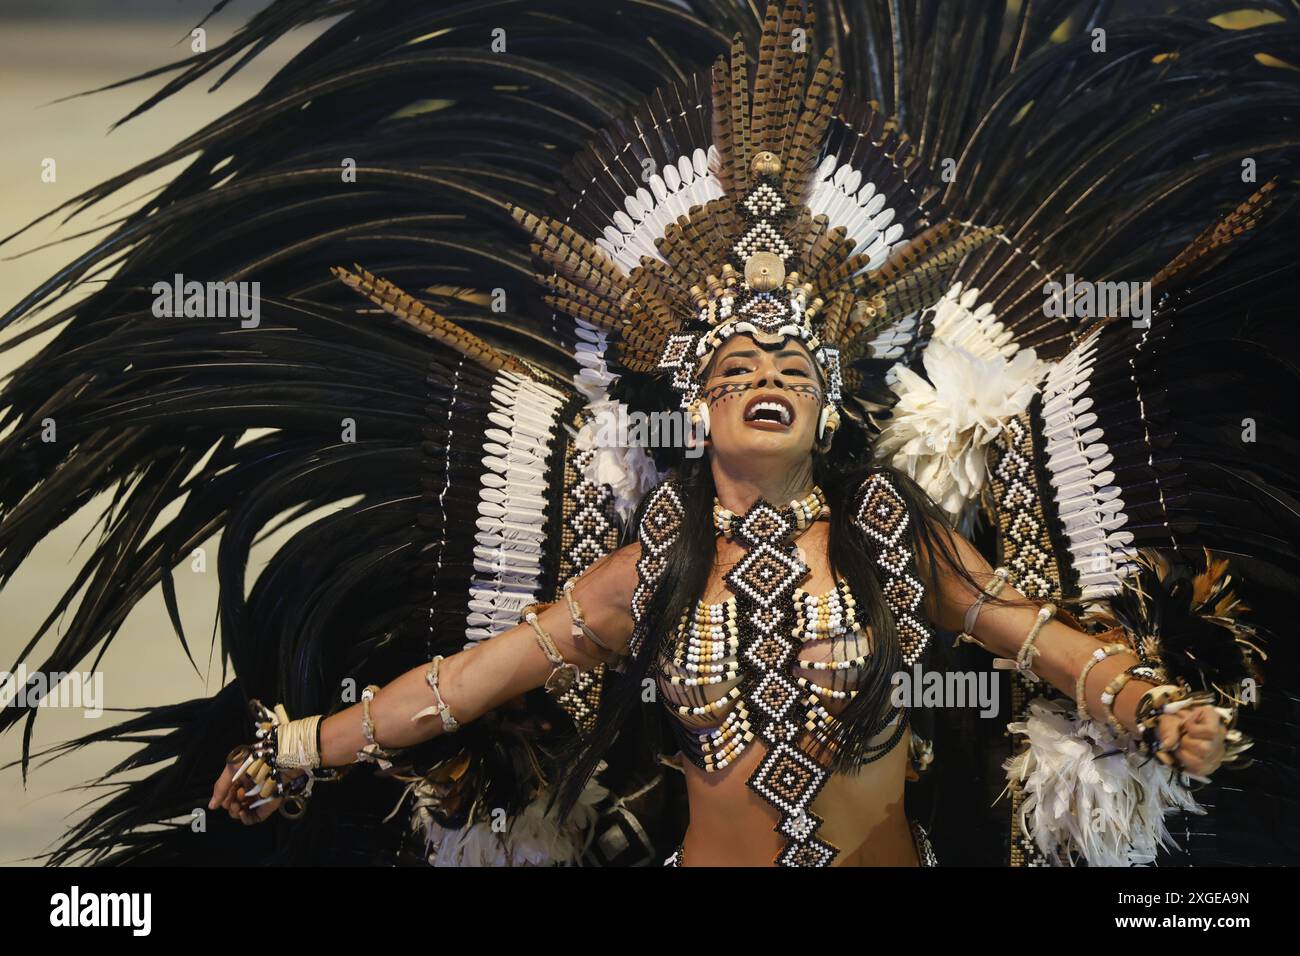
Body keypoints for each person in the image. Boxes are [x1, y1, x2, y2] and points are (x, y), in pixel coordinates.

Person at [209, 328, 1229, 866]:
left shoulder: (889, 530)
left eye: (792, 367)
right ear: (702, 412)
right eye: (737, 369)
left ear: (822, 410)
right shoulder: (651, 567)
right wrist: (293, 749)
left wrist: (1145, 703)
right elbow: (464, 684)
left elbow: (1032, 635)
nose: (766, 376)